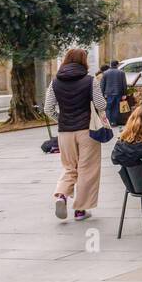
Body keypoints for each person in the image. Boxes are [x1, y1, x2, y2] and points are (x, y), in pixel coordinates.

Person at [44, 48, 109, 222]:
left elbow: (48, 108)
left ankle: (61, 196)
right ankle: (80, 210)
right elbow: (101, 104)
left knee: (69, 167)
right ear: (84, 61)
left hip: (65, 132)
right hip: (87, 130)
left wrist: (61, 119)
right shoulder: (90, 80)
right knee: (87, 170)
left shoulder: (55, 81)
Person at [100, 60, 128, 126]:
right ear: (117, 65)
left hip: (108, 93)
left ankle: (108, 122)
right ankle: (114, 122)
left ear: (111, 65)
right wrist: (124, 94)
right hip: (118, 93)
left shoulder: (105, 73)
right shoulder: (121, 73)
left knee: (108, 108)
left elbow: (102, 84)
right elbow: (124, 84)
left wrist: (102, 94)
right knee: (116, 108)